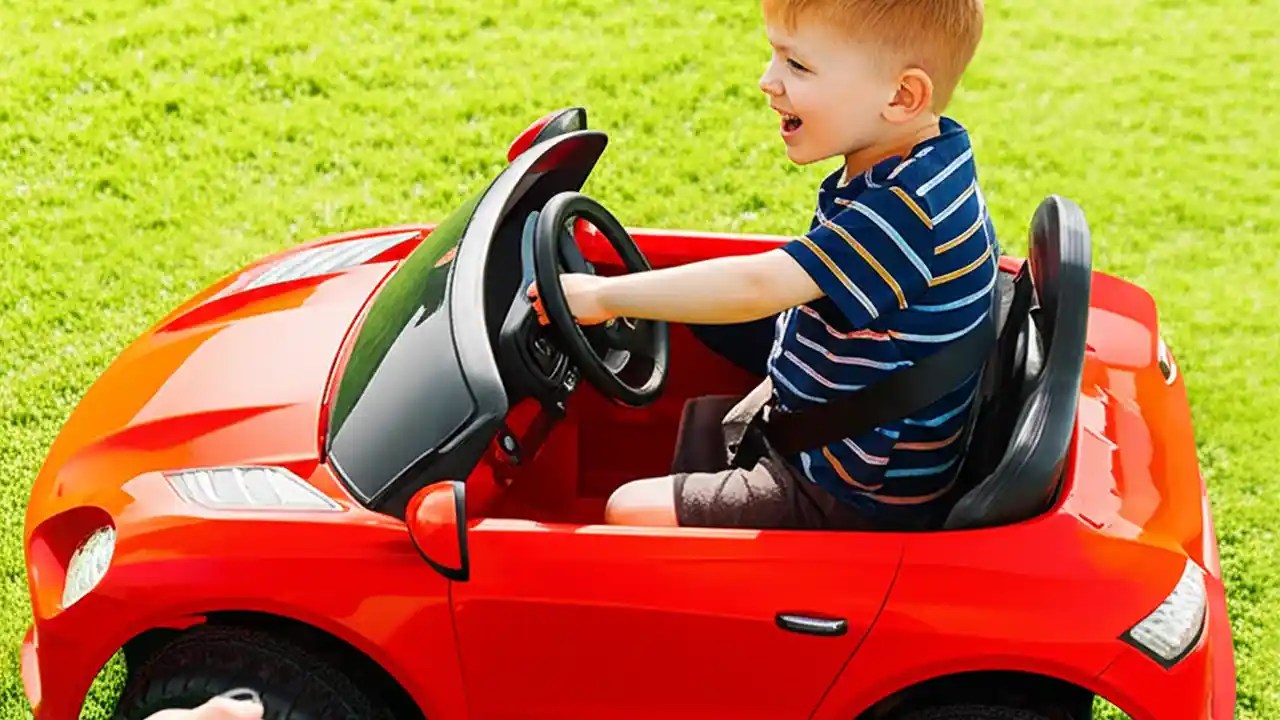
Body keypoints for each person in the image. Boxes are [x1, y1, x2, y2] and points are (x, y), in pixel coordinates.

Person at [531, 0, 998, 531]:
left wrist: (603, 296)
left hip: (848, 494)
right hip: (837, 426)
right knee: (695, 405)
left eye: (797, 65)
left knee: (628, 511)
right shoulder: (926, 161)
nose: (767, 81)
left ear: (900, 96)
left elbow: (758, 286)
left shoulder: (906, 214)